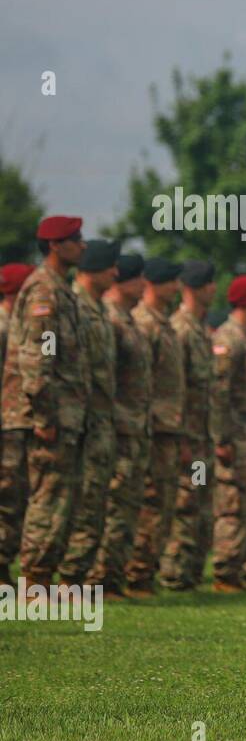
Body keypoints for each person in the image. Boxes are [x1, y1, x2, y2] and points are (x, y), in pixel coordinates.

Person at [0, 216, 90, 588]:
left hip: (55, 413)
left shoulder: (59, 289)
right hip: (38, 416)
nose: (83, 246)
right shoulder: (43, 291)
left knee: (47, 498)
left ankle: (32, 578)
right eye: (76, 239)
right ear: (56, 246)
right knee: (43, 498)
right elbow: (40, 354)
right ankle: (35, 581)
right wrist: (45, 415)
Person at [87, 254, 150, 598]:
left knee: (127, 503)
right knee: (111, 501)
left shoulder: (126, 320)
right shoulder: (109, 320)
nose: (144, 284)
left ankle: (112, 578)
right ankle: (99, 579)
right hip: (114, 426)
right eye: (137, 278)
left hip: (133, 427)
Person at [61, 241, 119, 585]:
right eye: (109, 266)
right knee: (70, 502)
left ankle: (75, 581)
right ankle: (55, 580)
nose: (115, 272)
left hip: (98, 422)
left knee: (94, 501)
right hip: (73, 422)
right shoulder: (74, 308)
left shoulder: (96, 310)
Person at [126, 258, 185, 596]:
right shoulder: (144, 323)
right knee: (145, 501)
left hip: (167, 428)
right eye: (171, 282)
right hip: (148, 428)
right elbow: (139, 383)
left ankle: (143, 574)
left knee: (161, 503)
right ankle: (133, 573)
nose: (176, 289)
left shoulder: (163, 324)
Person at [160, 260, 217, 590]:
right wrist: (180, 436)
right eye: (209, 284)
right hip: (187, 437)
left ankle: (191, 572)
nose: (214, 289)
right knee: (185, 502)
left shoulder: (199, 329)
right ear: (195, 288)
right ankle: (173, 572)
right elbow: (173, 387)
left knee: (198, 502)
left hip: (202, 437)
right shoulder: (180, 329)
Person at [210, 275, 246, 592]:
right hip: (234, 438)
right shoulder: (228, 339)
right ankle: (223, 569)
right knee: (231, 505)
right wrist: (222, 438)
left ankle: (235, 569)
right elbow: (219, 393)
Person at [0, 262, 35, 588]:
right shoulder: (4, 327)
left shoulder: (17, 324)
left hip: (17, 422)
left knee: (16, 498)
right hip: (7, 425)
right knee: (7, 498)